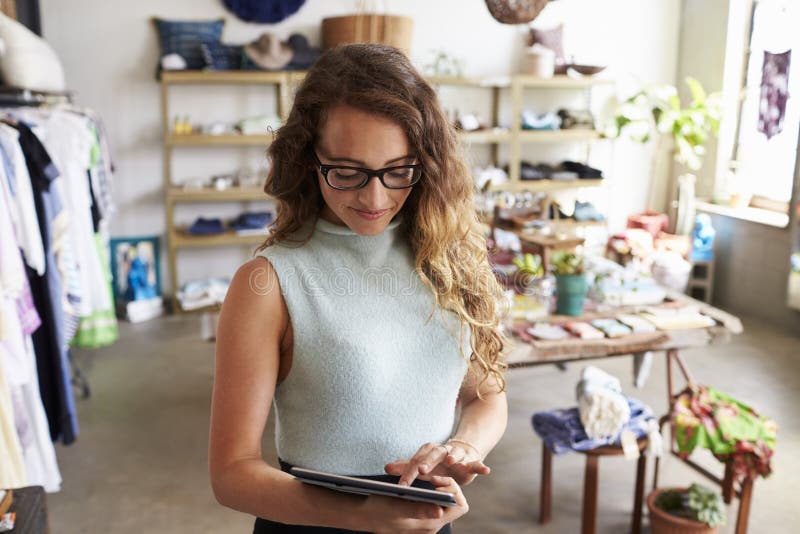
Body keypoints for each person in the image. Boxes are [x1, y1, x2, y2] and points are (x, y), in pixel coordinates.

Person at [209, 43, 508, 533]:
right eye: (346, 172)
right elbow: (231, 475)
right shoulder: (270, 282)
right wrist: (364, 516)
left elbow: (486, 398)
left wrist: (463, 448)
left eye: (397, 170)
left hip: (426, 521)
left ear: (426, 161)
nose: (374, 197)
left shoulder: (450, 259)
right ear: (309, 158)